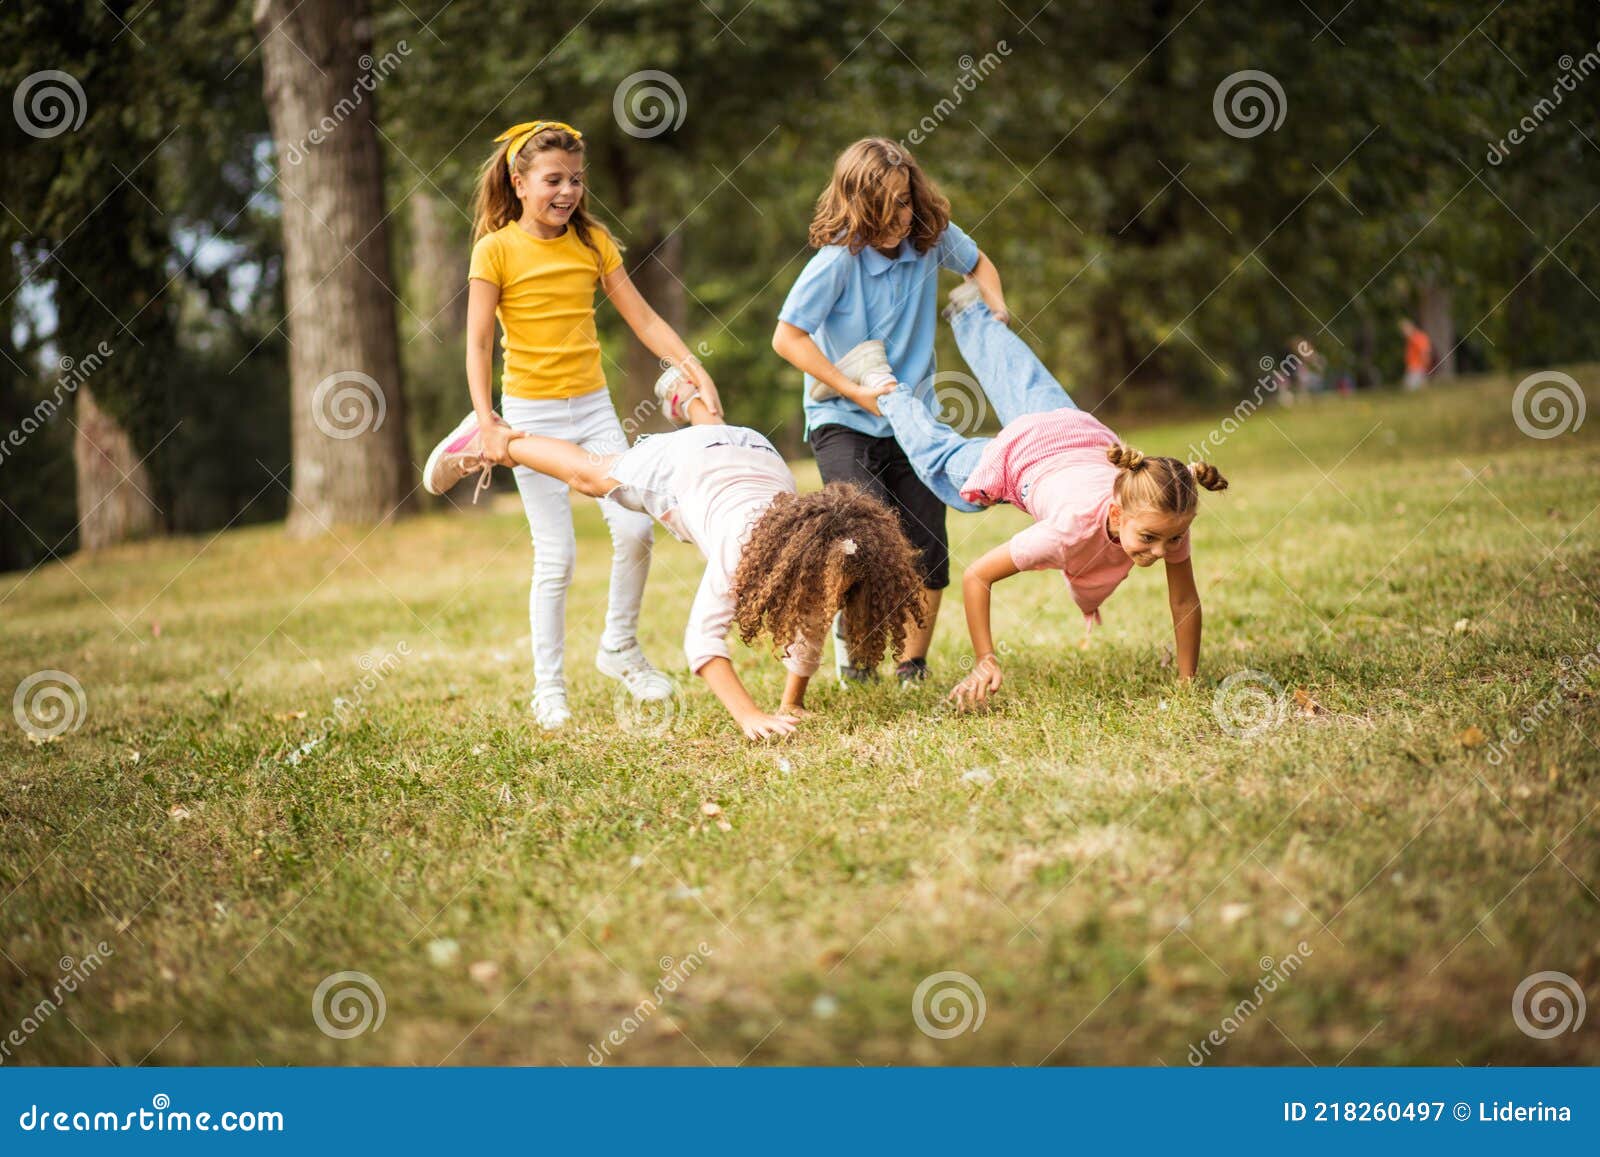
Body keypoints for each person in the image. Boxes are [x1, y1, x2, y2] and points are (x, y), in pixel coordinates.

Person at [423, 386, 927, 740]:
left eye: (842, 593)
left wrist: (792, 703)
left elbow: (811, 633)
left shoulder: (825, 548)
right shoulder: (745, 546)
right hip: (683, 465)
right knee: (592, 477)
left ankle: (687, 397)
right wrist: (750, 715)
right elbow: (702, 644)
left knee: (712, 442)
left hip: (749, 448)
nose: (831, 600)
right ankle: (497, 439)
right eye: (834, 589)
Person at [821, 284, 1228, 706]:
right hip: (1025, 456)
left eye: (1173, 539)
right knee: (940, 464)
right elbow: (977, 575)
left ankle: (971, 312)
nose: (1163, 550)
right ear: (1116, 513)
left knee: (1021, 380)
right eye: (1149, 539)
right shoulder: (1068, 531)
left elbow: (1184, 598)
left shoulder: (1164, 509)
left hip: (1072, 431)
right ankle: (881, 380)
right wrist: (985, 658)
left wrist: (1187, 682)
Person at [461, 119, 721, 731]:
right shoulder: (494, 250)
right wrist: (487, 422)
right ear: (518, 182)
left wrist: (691, 368)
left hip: (594, 409)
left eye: (576, 179)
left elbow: (645, 319)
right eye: (553, 179)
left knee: (634, 530)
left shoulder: (592, 241)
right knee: (556, 557)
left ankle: (619, 648)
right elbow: (475, 345)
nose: (567, 191)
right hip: (530, 414)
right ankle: (548, 689)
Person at [772, 138, 1009, 688]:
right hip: (843, 417)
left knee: (928, 541)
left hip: (914, 417)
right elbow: (788, 338)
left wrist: (995, 308)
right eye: (884, 208)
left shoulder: (929, 239)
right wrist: (850, 389)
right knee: (864, 539)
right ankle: (856, 654)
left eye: (905, 202)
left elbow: (978, 264)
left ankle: (912, 664)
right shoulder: (835, 262)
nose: (899, 219)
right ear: (855, 207)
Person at [1400, 318, 1432, 391]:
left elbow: (1424, 352)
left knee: (1411, 389)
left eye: (1405, 328)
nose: (1403, 332)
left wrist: (1424, 367)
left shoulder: (1418, 338)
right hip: (1412, 368)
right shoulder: (1410, 339)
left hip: (1417, 369)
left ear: (1411, 327)